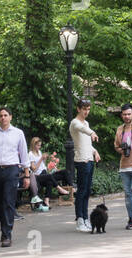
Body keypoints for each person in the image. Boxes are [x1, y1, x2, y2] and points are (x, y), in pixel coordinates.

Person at [0, 107, 30, 248]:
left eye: (5, 115)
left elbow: (24, 154)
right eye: (1, 115)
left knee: (8, 201)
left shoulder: (18, 133)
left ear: (10, 117)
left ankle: (7, 234)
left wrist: (27, 175)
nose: (3, 118)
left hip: (12, 170)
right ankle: (4, 229)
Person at [69, 99, 100, 233]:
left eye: (88, 109)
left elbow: (87, 143)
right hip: (81, 160)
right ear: (78, 109)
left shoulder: (86, 123)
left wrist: (95, 151)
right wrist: (92, 132)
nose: (86, 112)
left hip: (89, 159)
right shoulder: (75, 123)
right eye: (84, 109)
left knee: (87, 191)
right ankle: (80, 219)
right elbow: (82, 130)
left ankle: (86, 218)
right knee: (81, 191)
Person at [29, 136, 71, 203]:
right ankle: (59, 189)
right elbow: (34, 169)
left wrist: (44, 159)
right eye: (38, 145)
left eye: (40, 145)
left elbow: (42, 165)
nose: (39, 147)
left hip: (45, 173)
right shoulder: (31, 154)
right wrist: (41, 159)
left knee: (64, 172)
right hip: (38, 176)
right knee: (49, 177)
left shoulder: (39, 152)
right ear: (34, 145)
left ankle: (47, 200)